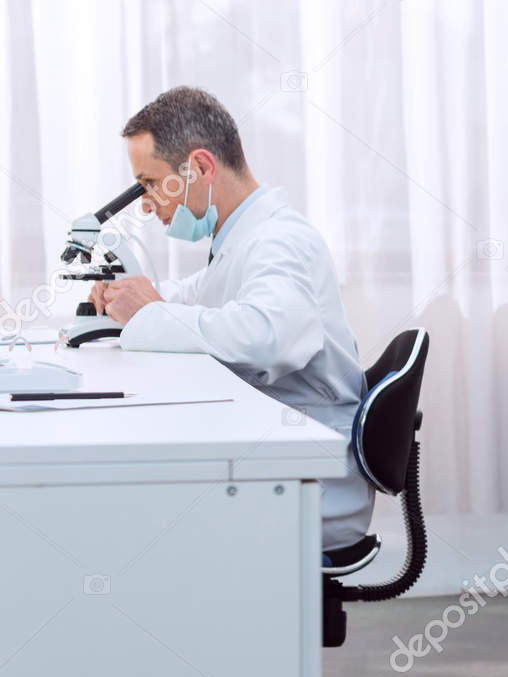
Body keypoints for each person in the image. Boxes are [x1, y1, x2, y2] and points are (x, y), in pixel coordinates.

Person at [96, 86, 374, 551]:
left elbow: (266, 337)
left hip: (311, 477)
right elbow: (200, 301)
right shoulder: (241, 238)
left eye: (149, 184)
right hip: (284, 456)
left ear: (202, 167)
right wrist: (134, 297)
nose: (145, 204)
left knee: (129, 517)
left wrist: (150, 312)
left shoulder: (277, 241)